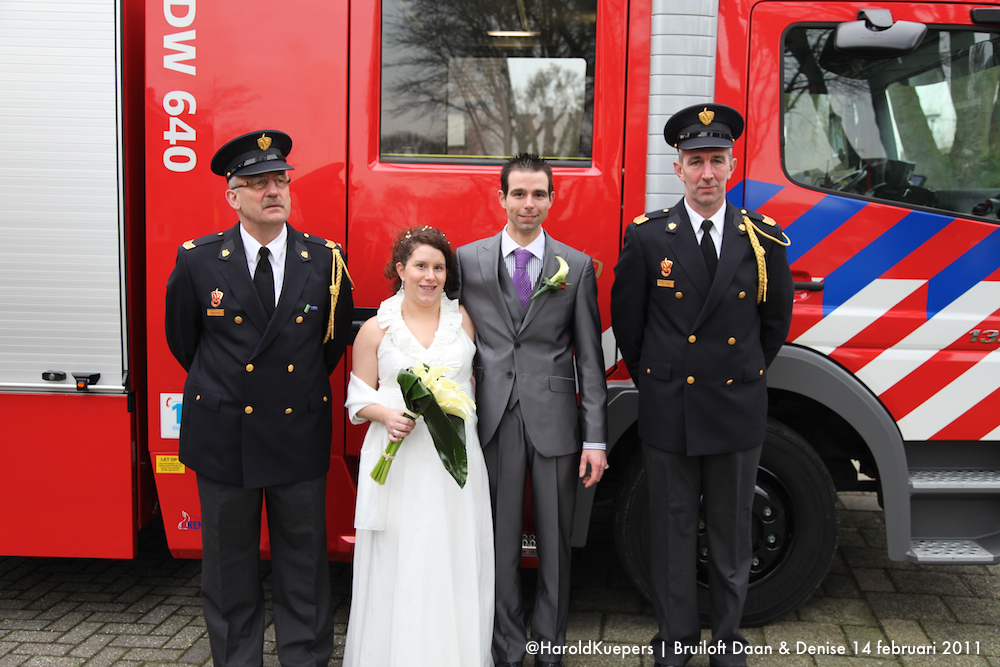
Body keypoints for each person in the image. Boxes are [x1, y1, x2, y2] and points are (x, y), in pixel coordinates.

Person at [610, 104, 793, 666]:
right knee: (671, 526)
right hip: (672, 405)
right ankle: (674, 638)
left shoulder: (761, 238)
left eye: (717, 160)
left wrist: (740, 375)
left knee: (732, 527)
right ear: (678, 170)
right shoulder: (647, 239)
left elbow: (774, 324)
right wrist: (660, 380)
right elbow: (629, 326)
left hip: (736, 402)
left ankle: (729, 638)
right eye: (696, 161)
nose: (707, 172)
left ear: (732, 166)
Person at [165, 130, 353, 667]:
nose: (273, 191)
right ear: (232, 195)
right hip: (225, 434)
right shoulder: (199, 261)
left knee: (304, 566)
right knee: (228, 570)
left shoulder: (324, 260)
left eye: (280, 180)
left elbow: (331, 345)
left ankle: (305, 658)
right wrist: (232, 388)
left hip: (297, 430)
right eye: (256, 183)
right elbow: (185, 341)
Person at [453, 153, 608, 667]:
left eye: (538, 193)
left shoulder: (577, 266)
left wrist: (595, 439)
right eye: (518, 193)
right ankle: (505, 644)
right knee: (496, 540)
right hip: (493, 417)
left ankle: (547, 645)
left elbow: (590, 359)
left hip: (556, 422)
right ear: (501, 198)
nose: (528, 203)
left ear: (551, 199)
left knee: (555, 542)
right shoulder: (467, 260)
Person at [343, 226, 494, 667]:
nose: (430, 276)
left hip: (454, 461)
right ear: (400, 270)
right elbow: (357, 397)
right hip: (400, 459)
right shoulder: (376, 329)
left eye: (439, 267)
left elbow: (472, 384)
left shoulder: (462, 320)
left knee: (452, 554)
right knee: (400, 558)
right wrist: (386, 414)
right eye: (421, 266)